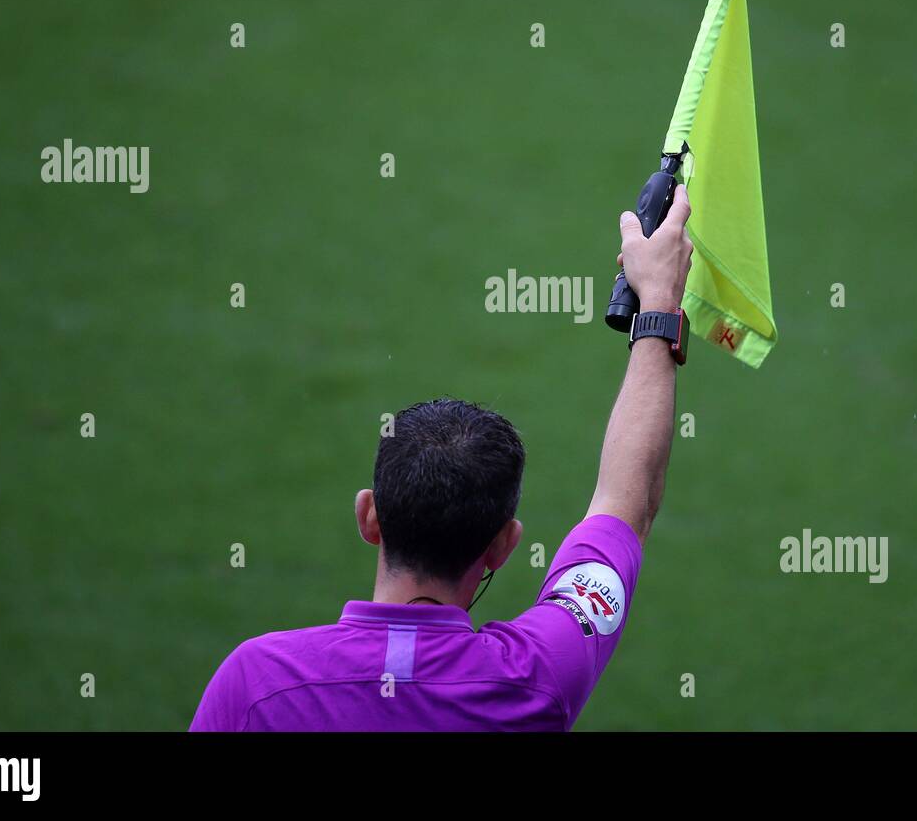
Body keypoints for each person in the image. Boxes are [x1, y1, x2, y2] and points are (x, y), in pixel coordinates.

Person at [190, 186, 694, 730]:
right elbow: (626, 503)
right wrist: (659, 303)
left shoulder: (256, 684)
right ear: (504, 545)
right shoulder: (537, 678)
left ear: (369, 516)